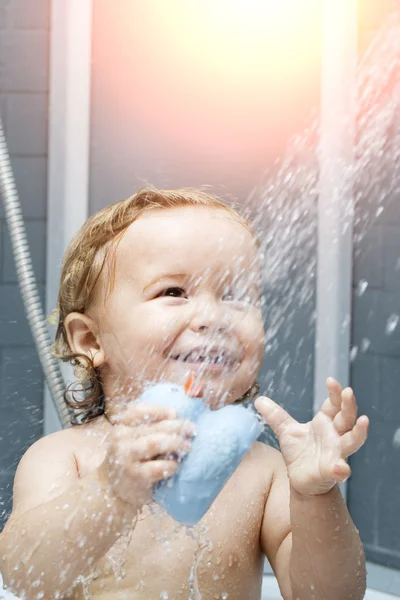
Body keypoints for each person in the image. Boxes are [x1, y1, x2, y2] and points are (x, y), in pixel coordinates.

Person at [0, 187, 369, 600]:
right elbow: (24, 576)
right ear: (89, 339)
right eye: (173, 292)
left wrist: (316, 497)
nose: (214, 317)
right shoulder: (67, 458)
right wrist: (109, 491)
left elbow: (328, 595)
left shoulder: (265, 473)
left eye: (235, 295)